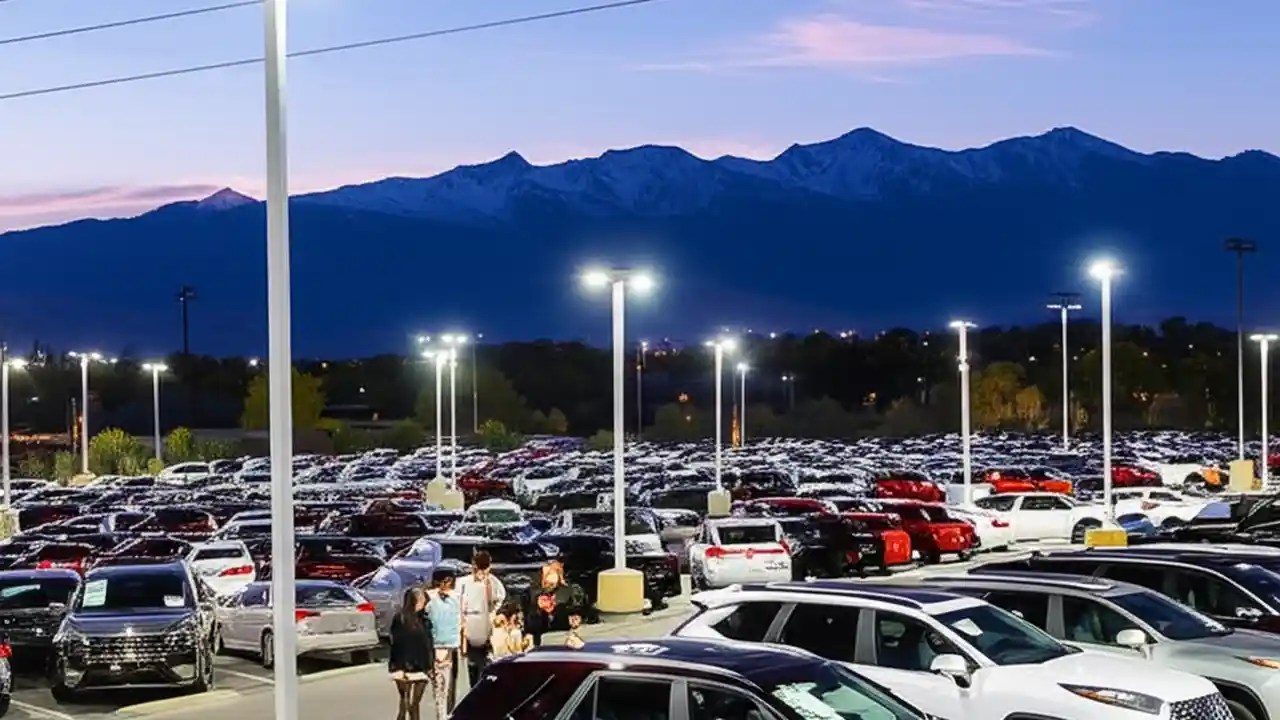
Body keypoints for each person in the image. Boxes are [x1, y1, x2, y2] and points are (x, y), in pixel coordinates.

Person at [456, 550, 506, 682]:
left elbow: (500, 597)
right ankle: (474, 683)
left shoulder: (493, 582)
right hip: (469, 620)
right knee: (472, 660)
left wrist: (493, 611)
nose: (481, 573)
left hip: (485, 620)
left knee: (485, 659)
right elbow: (458, 602)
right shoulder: (463, 582)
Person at [387, 587, 432, 720]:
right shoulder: (400, 619)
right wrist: (399, 667)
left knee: (415, 704)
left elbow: (428, 643)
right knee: (404, 704)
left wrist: (430, 664)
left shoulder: (424, 619)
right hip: (403, 667)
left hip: (422, 667)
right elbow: (397, 644)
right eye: (421, 599)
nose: (423, 603)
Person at [523, 559, 587, 647]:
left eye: (552, 584)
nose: (549, 586)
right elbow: (527, 618)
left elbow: (578, 611)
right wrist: (538, 607)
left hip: (562, 635)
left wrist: (576, 617)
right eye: (546, 583)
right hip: (538, 637)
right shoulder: (531, 593)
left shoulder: (569, 592)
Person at [426, 570, 463, 717]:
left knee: (450, 684)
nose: (449, 585)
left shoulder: (456, 596)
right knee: (439, 685)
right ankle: (441, 714)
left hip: (453, 643)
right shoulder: (429, 596)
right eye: (447, 581)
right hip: (436, 643)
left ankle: (448, 712)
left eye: (451, 582)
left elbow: (461, 617)